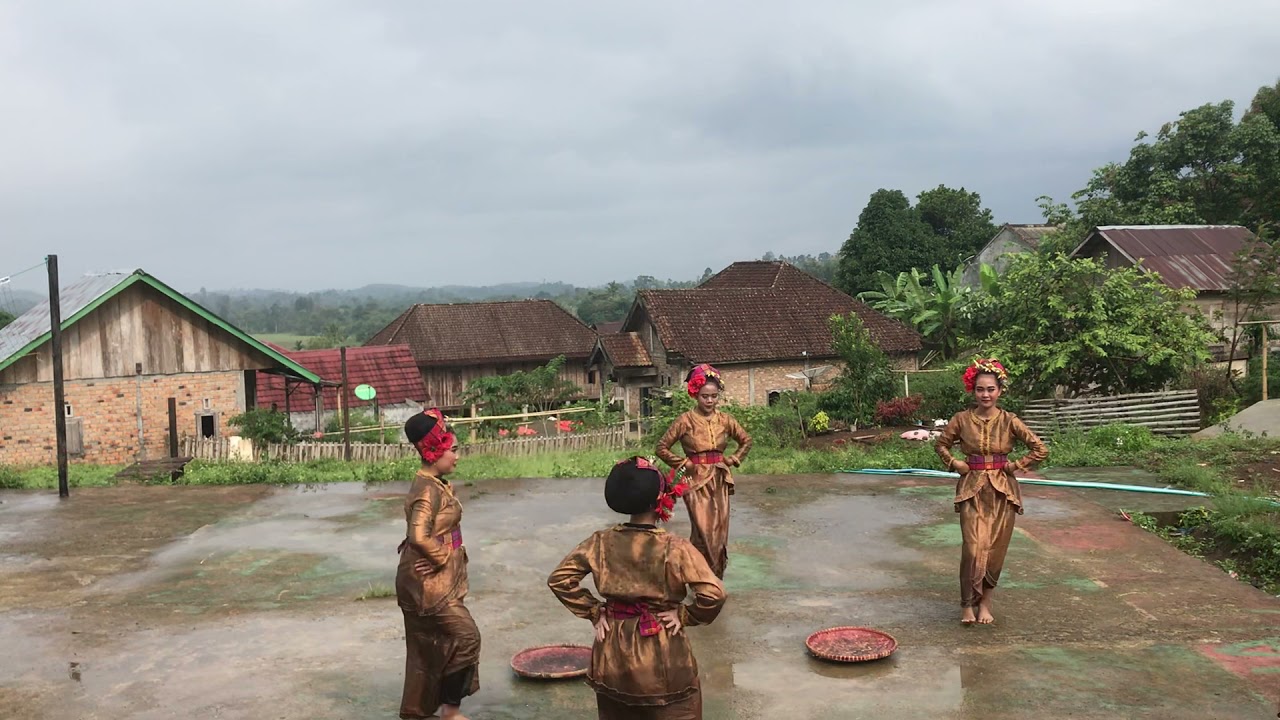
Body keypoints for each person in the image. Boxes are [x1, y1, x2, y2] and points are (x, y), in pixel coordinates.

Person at [548, 457, 727, 719]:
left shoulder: (600, 542)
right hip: (662, 648)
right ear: (660, 501)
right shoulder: (675, 548)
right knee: (675, 710)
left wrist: (594, 611)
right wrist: (686, 615)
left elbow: (559, 579)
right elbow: (714, 593)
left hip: (613, 649)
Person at [934, 359, 1048, 625]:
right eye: (980, 389)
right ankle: (967, 605)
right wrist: (955, 463)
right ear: (972, 391)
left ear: (1000, 391)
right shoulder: (962, 419)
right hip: (971, 490)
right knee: (973, 549)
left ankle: (985, 604)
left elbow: (1040, 448)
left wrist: (1015, 466)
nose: (985, 395)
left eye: (990, 389)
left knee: (995, 550)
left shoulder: (1009, 420)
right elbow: (941, 445)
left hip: (1002, 492)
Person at [396, 409, 480, 720]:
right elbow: (418, 535)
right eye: (453, 449)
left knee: (428, 645)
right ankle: (450, 711)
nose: (457, 456)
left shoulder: (435, 483)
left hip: (434, 577)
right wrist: (440, 557)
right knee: (466, 637)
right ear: (434, 451)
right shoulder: (427, 490)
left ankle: (420, 710)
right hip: (426, 582)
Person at [655, 364, 752, 578]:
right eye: (704, 396)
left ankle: (714, 576)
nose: (709, 401)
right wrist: (682, 463)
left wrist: (734, 458)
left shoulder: (725, 420)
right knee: (703, 530)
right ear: (695, 395)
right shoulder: (685, 420)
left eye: (714, 396)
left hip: (719, 477)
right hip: (695, 480)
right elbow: (661, 448)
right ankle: (698, 575)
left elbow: (746, 440)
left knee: (719, 531)